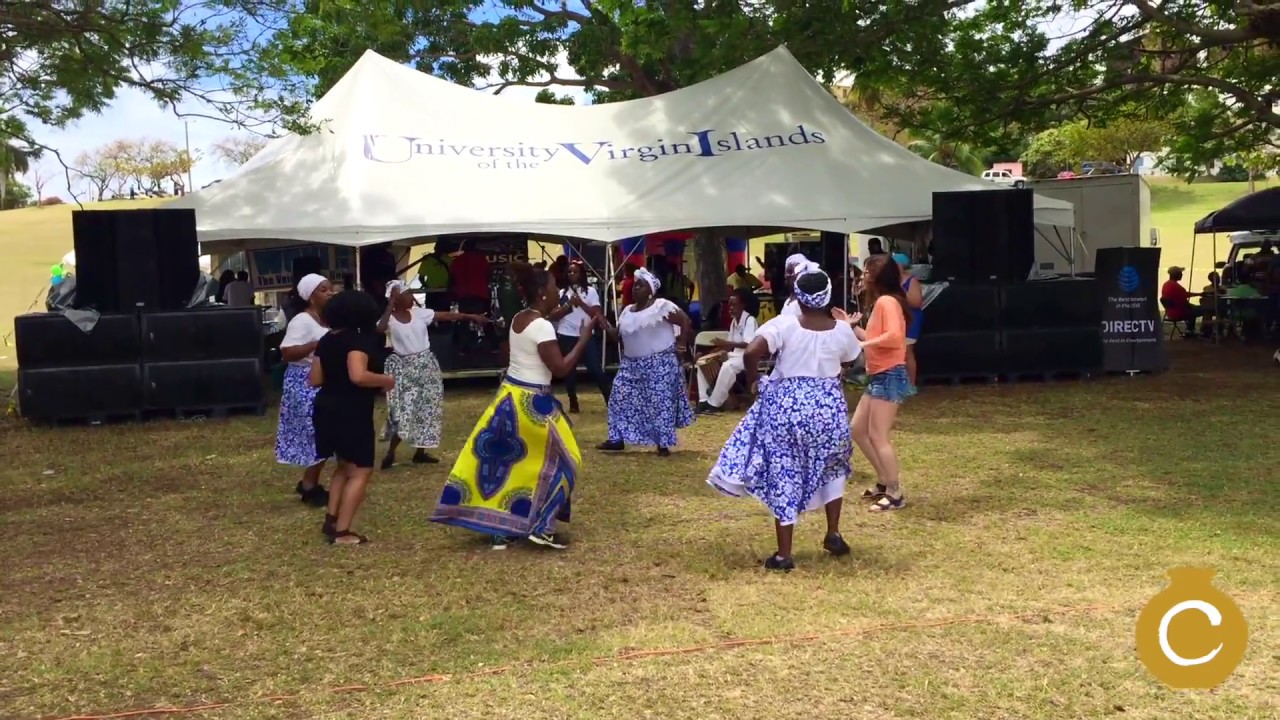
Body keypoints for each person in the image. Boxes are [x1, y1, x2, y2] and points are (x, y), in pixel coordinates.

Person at [432, 263, 597, 550]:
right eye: (553, 285)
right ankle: (542, 526)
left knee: (516, 466)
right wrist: (583, 339)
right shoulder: (543, 325)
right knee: (568, 463)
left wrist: (566, 313)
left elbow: (528, 339)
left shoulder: (520, 318)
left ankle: (504, 530)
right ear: (543, 293)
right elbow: (559, 369)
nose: (558, 289)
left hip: (509, 397)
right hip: (534, 403)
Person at [707, 269, 862, 571]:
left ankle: (784, 554)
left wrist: (755, 381)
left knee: (784, 472)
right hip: (828, 408)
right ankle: (833, 533)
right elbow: (850, 359)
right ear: (827, 297)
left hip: (787, 408)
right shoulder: (842, 330)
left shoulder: (784, 324)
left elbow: (752, 352)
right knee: (833, 467)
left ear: (799, 299)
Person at [309, 290, 395, 545]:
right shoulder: (358, 341)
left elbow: (315, 379)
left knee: (344, 466)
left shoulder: (326, 340)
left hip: (325, 407)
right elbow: (358, 375)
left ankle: (332, 518)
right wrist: (387, 380)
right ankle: (343, 532)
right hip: (351, 409)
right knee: (361, 470)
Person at [377, 281, 490, 469]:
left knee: (428, 408)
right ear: (395, 298)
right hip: (404, 367)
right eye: (406, 294)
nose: (411, 297)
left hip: (427, 364)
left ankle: (420, 453)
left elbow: (447, 315)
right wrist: (389, 306)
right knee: (404, 411)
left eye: (411, 293)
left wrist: (471, 316)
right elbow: (379, 329)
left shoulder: (419, 314)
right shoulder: (389, 319)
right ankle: (391, 452)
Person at [837, 254, 910, 512]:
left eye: (868, 272)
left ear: (879, 276)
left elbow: (894, 337)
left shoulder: (887, 302)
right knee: (858, 430)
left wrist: (862, 344)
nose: (863, 276)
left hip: (888, 375)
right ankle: (883, 481)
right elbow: (876, 336)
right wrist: (851, 327)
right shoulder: (883, 302)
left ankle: (895, 492)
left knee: (879, 436)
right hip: (880, 375)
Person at [598, 268, 695, 456]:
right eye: (635, 285)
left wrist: (682, 344)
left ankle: (663, 444)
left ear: (650, 290)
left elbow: (685, 320)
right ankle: (616, 439)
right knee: (618, 396)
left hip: (659, 363)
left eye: (640, 285)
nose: (635, 288)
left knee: (659, 404)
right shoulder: (627, 311)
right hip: (630, 365)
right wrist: (607, 327)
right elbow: (618, 338)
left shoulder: (661, 306)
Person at [275, 274, 335, 506]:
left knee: (324, 434)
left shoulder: (324, 319)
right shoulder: (301, 321)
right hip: (304, 382)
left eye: (331, 289)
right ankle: (309, 485)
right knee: (317, 434)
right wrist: (316, 345)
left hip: (321, 380)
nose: (330, 293)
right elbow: (288, 353)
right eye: (323, 290)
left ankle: (310, 481)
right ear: (310, 297)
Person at [547, 261, 611, 413]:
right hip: (566, 334)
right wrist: (568, 305)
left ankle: (610, 400)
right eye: (569, 272)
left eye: (575, 271)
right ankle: (573, 402)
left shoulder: (591, 292)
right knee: (569, 371)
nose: (572, 274)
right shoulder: (562, 293)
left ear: (581, 274)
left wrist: (580, 303)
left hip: (586, 335)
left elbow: (597, 314)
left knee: (595, 369)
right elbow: (553, 315)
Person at [696, 289, 758, 414]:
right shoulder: (734, 321)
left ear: (743, 305)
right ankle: (703, 400)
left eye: (734, 305)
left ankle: (715, 403)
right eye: (730, 305)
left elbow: (749, 344)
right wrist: (713, 352)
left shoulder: (749, 320)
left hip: (746, 356)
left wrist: (726, 344)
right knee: (702, 362)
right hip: (734, 355)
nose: (730, 308)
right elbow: (728, 346)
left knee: (727, 366)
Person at [893, 253, 924, 392]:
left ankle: (911, 385)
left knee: (907, 351)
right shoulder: (889, 280)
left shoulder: (911, 281)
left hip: (910, 319)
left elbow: (916, 302)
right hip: (895, 318)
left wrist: (900, 290)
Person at [449, 241, 492, 315]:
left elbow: (452, 278)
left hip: (462, 295)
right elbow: (488, 275)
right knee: (480, 317)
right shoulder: (481, 259)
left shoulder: (456, 261)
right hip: (479, 294)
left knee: (465, 318)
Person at [1161, 266, 1206, 338]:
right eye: (1180, 273)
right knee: (1204, 310)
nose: (1182, 275)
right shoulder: (1176, 286)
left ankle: (1190, 330)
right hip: (1178, 312)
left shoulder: (1166, 284)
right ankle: (1202, 331)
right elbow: (1185, 297)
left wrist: (1198, 294)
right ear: (1176, 275)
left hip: (1170, 311)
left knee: (1194, 309)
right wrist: (1199, 294)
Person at [417, 240, 454, 311]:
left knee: (431, 315)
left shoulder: (428, 259)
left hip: (432, 292)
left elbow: (421, 277)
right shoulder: (449, 260)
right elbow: (453, 276)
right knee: (443, 316)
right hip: (444, 292)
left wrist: (426, 286)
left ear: (435, 248)